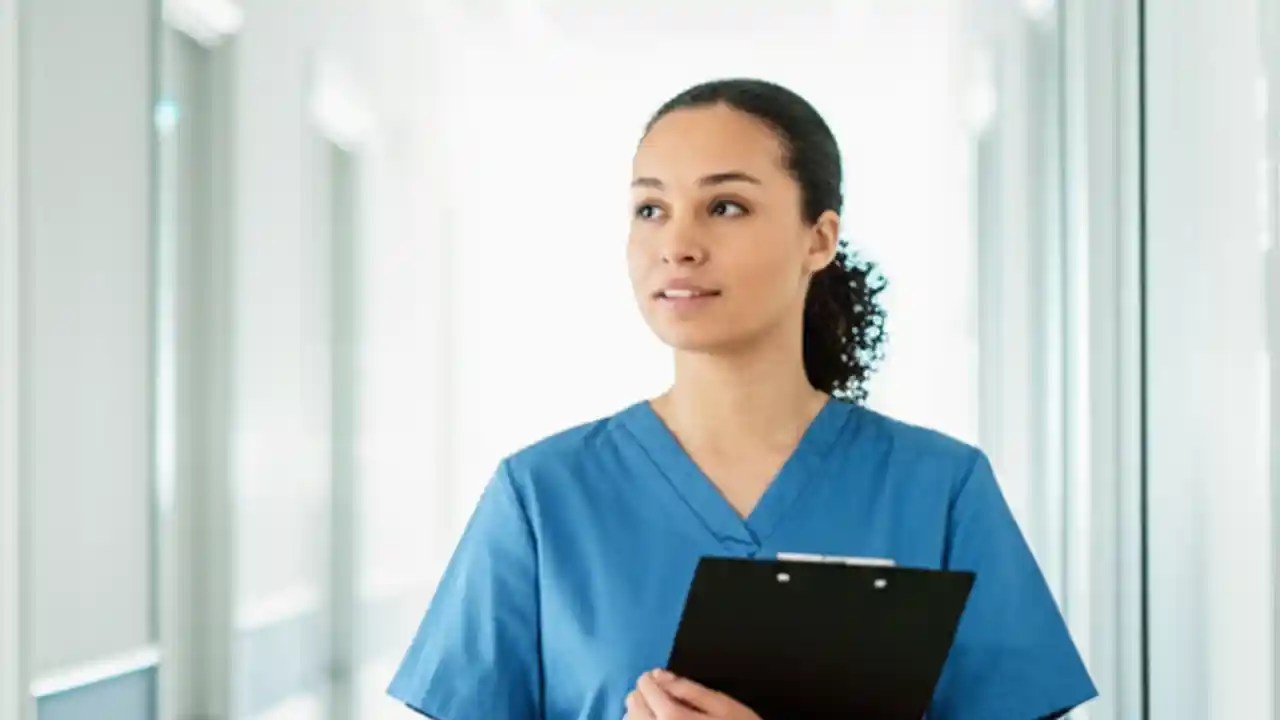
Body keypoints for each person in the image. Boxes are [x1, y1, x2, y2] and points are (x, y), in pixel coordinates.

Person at [387, 77, 1097, 720]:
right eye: (650, 208)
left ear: (818, 240)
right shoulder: (541, 497)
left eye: (725, 205)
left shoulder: (939, 490)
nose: (678, 243)